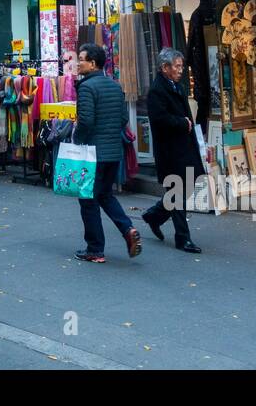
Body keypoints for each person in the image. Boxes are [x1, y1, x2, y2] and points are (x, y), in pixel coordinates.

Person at [72, 43, 142, 263]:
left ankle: (95, 249)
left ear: (93, 63)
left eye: (81, 59)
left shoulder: (86, 87)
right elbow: (123, 119)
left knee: (88, 199)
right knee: (105, 195)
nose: (77, 63)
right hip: (113, 153)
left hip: (93, 153)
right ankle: (127, 229)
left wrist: (77, 139)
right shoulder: (114, 86)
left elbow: (86, 121)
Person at [141, 47, 203, 254]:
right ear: (164, 67)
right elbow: (158, 119)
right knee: (178, 193)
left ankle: (154, 215)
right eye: (177, 66)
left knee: (184, 189)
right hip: (171, 149)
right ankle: (182, 238)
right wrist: (181, 123)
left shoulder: (176, 85)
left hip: (184, 146)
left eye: (181, 66)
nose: (180, 70)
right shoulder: (158, 90)